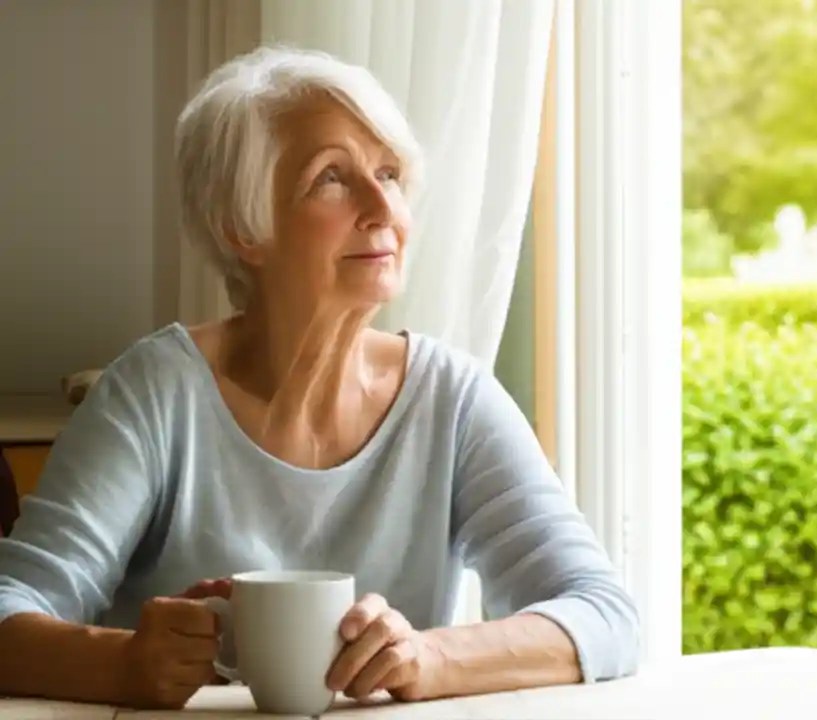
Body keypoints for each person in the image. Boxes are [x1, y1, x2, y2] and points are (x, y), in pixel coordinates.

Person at [0, 46, 639, 710]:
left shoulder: (452, 399)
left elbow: (605, 614)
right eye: (331, 178)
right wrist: (124, 662)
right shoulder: (153, 394)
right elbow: (8, 609)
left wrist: (428, 655)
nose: (381, 206)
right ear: (242, 227)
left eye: (388, 173)